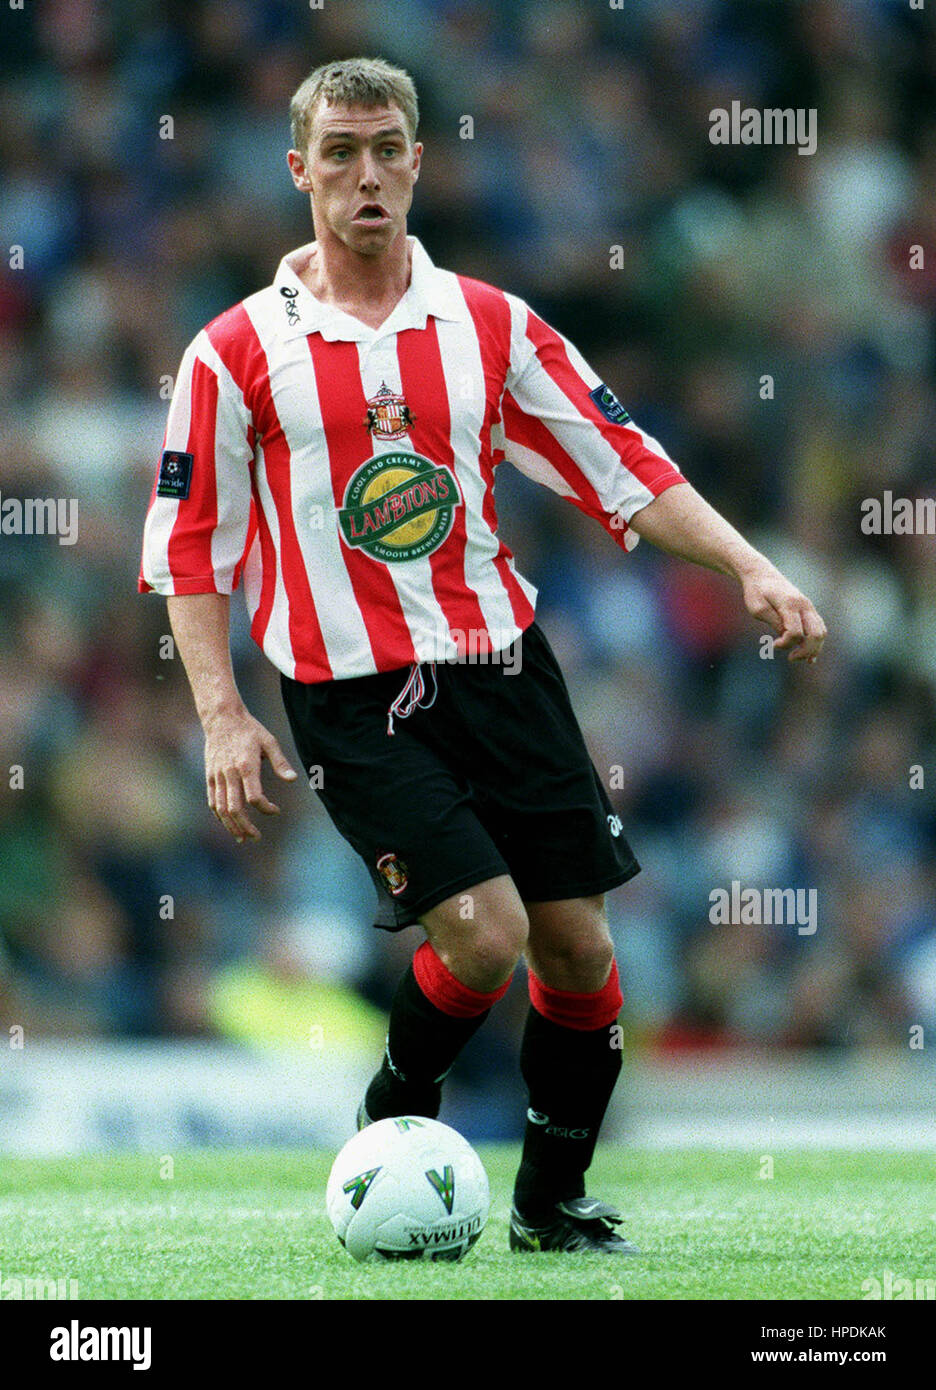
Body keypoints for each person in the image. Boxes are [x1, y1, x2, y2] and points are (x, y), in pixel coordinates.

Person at [140, 57, 826, 1254]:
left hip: (504, 669)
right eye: (340, 152)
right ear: (298, 170)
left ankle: (550, 1205)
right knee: (486, 932)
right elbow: (190, 546)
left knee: (579, 948)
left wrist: (749, 564)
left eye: (387, 147)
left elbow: (626, 463)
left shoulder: (490, 324)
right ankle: (388, 1125)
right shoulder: (234, 353)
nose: (366, 174)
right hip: (351, 697)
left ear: (419, 161)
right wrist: (219, 713)